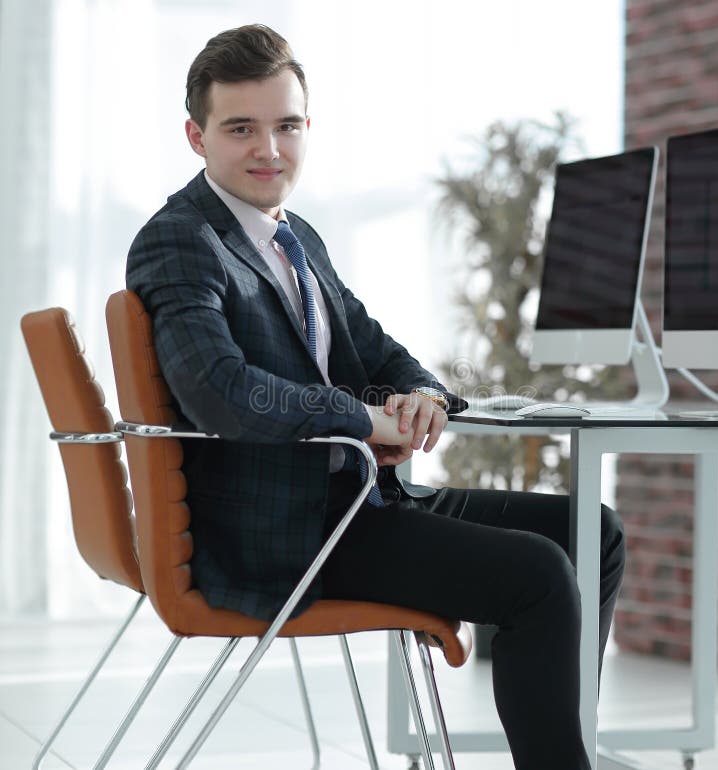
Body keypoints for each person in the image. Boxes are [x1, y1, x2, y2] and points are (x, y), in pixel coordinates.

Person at [126, 23, 625, 770]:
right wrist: (362, 419)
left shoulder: (296, 237)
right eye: (241, 129)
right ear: (197, 137)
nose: (269, 149)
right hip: (292, 533)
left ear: (307, 127)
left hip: (360, 503)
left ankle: (563, 750)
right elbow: (220, 393)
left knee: (594, 532)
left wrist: (423, 396)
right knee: (539, 575)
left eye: (286, 125)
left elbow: (378, 347)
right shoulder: (181, 241)